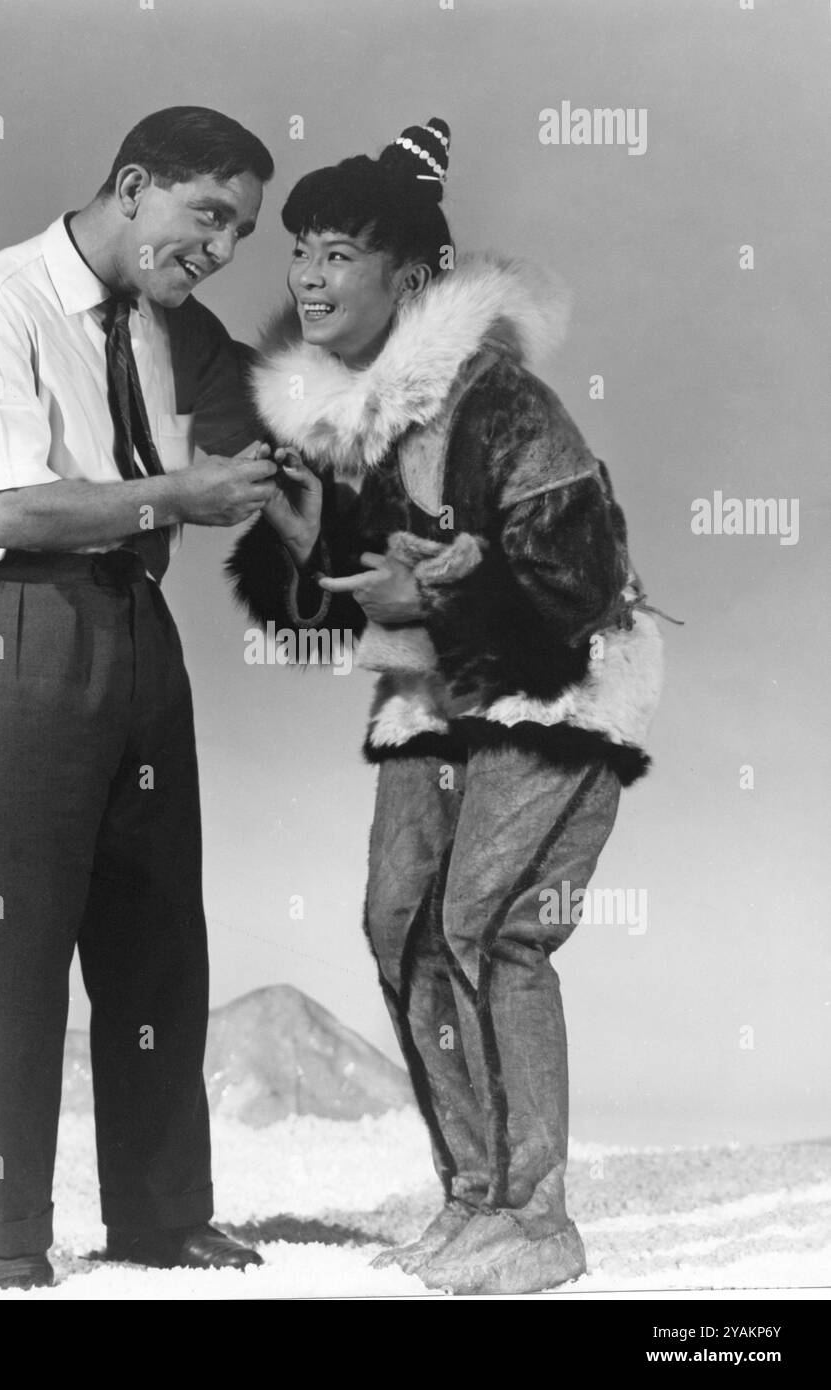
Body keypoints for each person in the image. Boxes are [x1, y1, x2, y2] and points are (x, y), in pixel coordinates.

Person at [227, 118, 665, 1295]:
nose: (309, 279)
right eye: (301, 252)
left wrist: (434, 577)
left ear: (411, 277)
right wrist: (306, 553)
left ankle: (539, 1215)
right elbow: (320, 606)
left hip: (553, 681)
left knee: (491, 924)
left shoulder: (500, 401)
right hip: (435, 691)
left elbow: (574, 577)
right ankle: (472, 1195)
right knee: (398, 923)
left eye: (337, 254)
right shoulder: (346, 418)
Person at [0, 106, 279, 1294]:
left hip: (133, 626)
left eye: (240, 230)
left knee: (159, 935)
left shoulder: (176, 324)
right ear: (130, 185)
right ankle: (8, 1245)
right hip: (15, 627)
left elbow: (276, 423)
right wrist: (182, 491)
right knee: (6, 945)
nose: (218, 247)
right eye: (204, 215)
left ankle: (163, 1219)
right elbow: (7, 508)